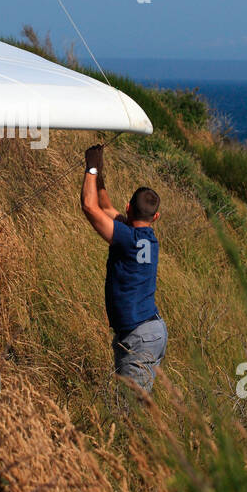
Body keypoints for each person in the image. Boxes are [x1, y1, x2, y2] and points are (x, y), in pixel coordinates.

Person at [80, 144, 166, 396]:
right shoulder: (146, 238)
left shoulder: (127, 238)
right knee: (130, 407)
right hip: (148, 332)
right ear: (156, 217)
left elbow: (90, 207)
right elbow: (105, 206)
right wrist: (100, 174)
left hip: (140, 336)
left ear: (128, 207)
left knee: (130, 413)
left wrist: (91, 168)